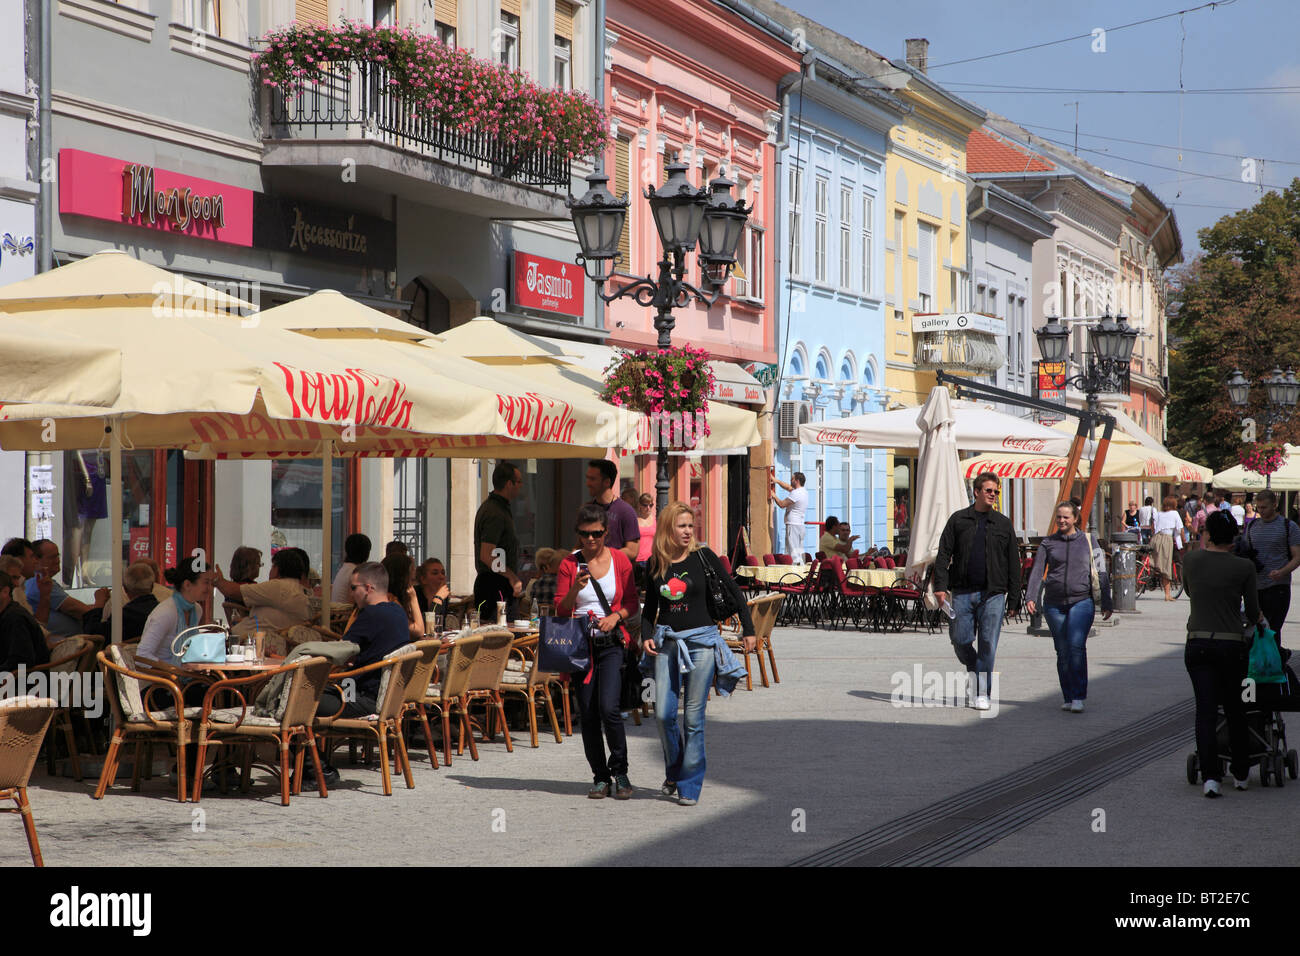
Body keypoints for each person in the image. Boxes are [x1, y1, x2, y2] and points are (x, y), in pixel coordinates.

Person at [642, 501, 754, 806]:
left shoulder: (704, 557)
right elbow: (649, 609)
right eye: (682, 526)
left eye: (691, 526)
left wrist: (749, 629)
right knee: (664, 715)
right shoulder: (656, 564)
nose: (688, 531)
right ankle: (675, 770)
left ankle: (689, 785)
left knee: (693, 718)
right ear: (668, 528)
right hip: (667, 642)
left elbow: (734, 591)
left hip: (703, 642)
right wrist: (645, 637)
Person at [554, 504, 640, 799]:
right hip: (580, 645)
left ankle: (621, 772)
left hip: (612, 643)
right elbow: (560, 608)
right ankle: (600, 777)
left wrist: (616, 617)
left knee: (609, 709)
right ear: (577, 533)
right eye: (584, 534)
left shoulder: (619, 560)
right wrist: (575, 590)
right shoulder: (569, 564)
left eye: (597, 534)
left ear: (606, 532)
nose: (590, 540)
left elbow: (633, 603)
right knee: (588, 714)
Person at [1183, 510, 1267, 797]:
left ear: (1207, 533)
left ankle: (1210, 777)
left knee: (1205, 712)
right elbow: (1253, 611)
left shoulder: (1191, 560)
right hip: (1232, 646)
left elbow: (1190, 591)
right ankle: (1241, 773)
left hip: (1198, 643)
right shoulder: (1243, 567)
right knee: (1236, 708)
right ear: (1233, 537)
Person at [310, 561, 414, 786]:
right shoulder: (397, 612)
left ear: (368, 588)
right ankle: (316, 768)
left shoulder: (371, 615)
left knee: (300, 700)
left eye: (353, 588)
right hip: (385, 699)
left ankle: (317, 770)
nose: (350, 593)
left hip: (362, 697)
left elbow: (340, 651)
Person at [932, 472, 1021, 711]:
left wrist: (1014, 598)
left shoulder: (1003, 523)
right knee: (960, 640)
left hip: (993, 594)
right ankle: (975, 667)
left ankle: (983, 692)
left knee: (987, 644)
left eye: (996, 491)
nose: (993, 495)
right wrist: (939, 587)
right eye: (989, 490)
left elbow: (1014, 561)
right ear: (977, 492)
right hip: (961, 592)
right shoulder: (958, 520)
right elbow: (942, 556)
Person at [1025, 501, 1114, 713]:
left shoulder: (1089, 540)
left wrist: (1107, 601)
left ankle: (1078, 696)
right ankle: (1067, 695)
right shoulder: (1048, 543)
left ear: (1075, 519)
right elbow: (1037, 571)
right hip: (1054, 604)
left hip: (1081, 600)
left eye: (1066, 517)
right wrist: (1031, 596)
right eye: (1059, 517)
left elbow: (1101, 572)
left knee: (1075, 646)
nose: (1062, 521)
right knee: (1062, 651)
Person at [1237, 489, 1300, 649]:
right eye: (1258, 507)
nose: (1261, 511)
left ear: (1274, 505)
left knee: (1272, 629)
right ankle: (1260, 665)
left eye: (1264, 507)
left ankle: (1274, 666)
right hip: (1255, 587)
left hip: (1278, 587)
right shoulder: (1252, 526)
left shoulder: (1288, 526)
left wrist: (1282, 572)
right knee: (1256, 629)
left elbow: (1297, 557)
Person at [211, 549, 310, 635]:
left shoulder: (277, 587)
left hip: (250, 644)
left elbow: (232, 591)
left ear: (277, 569)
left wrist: (217, 580)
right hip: (261, 640)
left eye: (272, 566)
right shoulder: (299, 590)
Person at [473, 461, 524, 622]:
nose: (521, 486)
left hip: (496, 584)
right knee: (498, 637)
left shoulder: (497, 508)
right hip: (494, 586)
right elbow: (487, 555)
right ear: (509, 484)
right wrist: (512, 577)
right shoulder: (494, 512)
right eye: (519, 482)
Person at [25, 539, 107, 638]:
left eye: (57, 555)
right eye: (52, 557)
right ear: (36, 560)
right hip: (62, 646)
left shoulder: (43, 581)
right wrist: (101, 601)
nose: (57, 560)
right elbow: (80, 611)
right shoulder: (39, 581)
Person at [80, 561, 161, 643]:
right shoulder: (163, 612)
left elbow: (94, 635)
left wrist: (99, 603)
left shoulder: (122, 616)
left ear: (125, 589)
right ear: (152, 587)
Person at [586, 460, 640, 562]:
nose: (587, 483)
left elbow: (632, 551)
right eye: (587, 478)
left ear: (607, 482)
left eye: (592, 479)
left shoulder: (626, 511)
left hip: (616, 575)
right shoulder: (587, 509)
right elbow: (580, 544)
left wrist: (603, 555)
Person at [0, 571, 49, 671]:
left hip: (27, 683)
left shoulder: (15, 618)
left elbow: (20, 662)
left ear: (5, 592)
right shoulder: (7, 614)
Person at [382, 552, 424, 640]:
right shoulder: (390, 600)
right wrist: (414, 598)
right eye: (412, 569)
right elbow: (419, 631)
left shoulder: (395, 598)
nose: (414, 573)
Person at [1151, 495, 1184, 601]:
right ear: (1174, 504)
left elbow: (1153, 527)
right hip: (1166, 539)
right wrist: (1183, 540)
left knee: (1156, 563)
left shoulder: (1159, 514)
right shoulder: (1175, 513)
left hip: (1156, 538)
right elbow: (1180, 528)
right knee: (1166, 567)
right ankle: (1167, 595)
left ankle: (1152, 575)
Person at [771, 472, 808, 562]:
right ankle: (800, 568)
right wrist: (776, 481)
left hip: (793, 525)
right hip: (799, 525)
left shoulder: (796, 493)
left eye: (792, 479)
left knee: (793, 551)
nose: (790, 481)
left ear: (797, 481)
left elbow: (782, 504)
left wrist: (773, 495)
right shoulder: (803, 491)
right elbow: (788, 487)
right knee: (798, 550)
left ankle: (795, 572)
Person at [331, 533, 372, 604]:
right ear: (365, 553)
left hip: (336, 613)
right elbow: (360, 602)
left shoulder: (345, 568)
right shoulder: (356, 573)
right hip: (346, 614)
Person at [0, 538, 37, 613]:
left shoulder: (21, 586)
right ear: (19, 559)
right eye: (32, 557)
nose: (36, 561)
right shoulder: (12, 589)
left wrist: (45, 595)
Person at [635, 494, 656, 578]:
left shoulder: (655, 520)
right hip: (638, 560)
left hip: (652, 559)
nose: (648, 508)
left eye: (651, 505)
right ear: (640, 505)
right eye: (645, 505)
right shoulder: (635, 520)